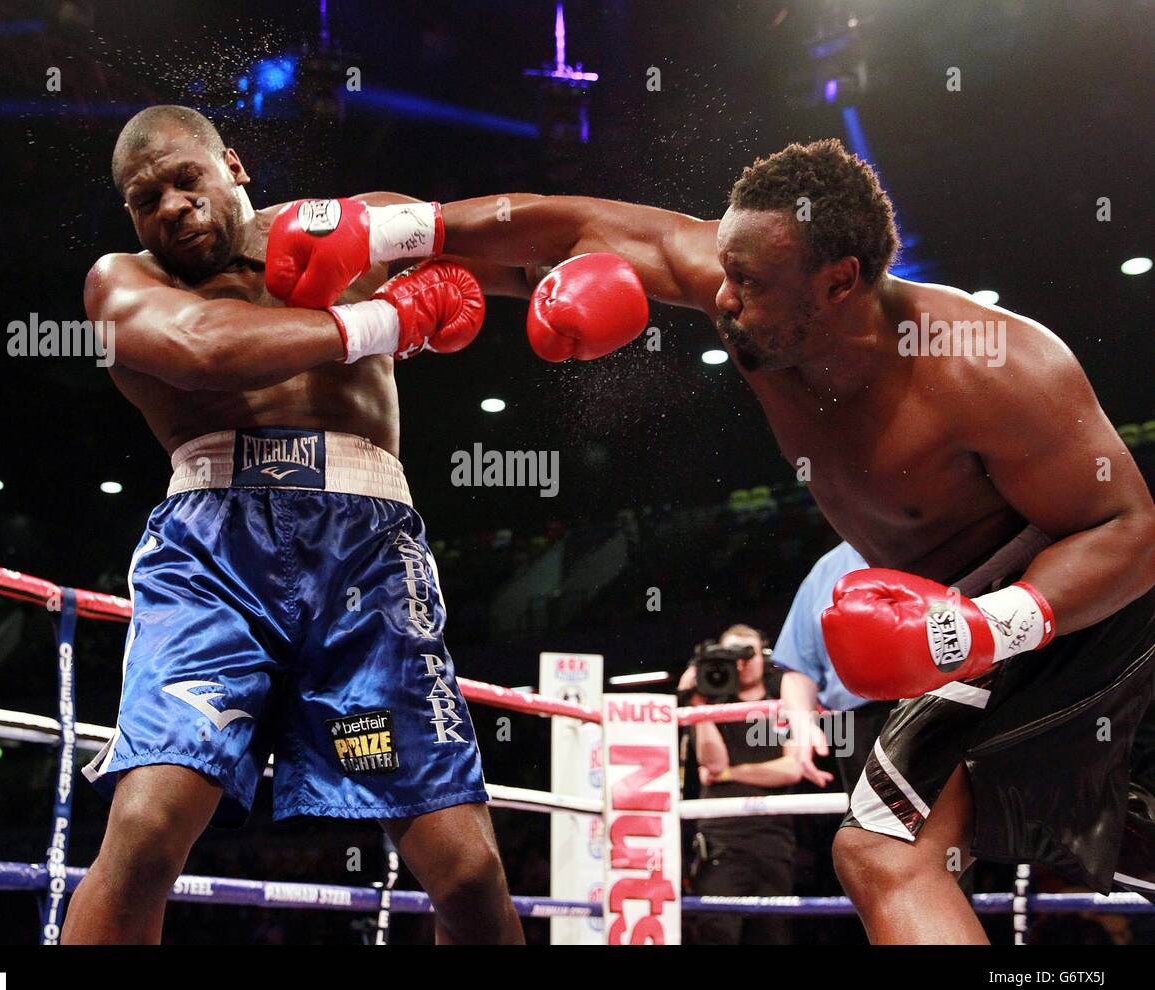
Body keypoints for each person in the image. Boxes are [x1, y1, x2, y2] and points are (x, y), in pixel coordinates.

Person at [275, 138, 1155, 943]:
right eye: (724, 270)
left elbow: (1132, 527)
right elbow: (575, 225)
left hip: (1080, 610)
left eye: (752, 284)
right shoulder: (739, 284)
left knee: (886, 851)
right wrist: (394, 228)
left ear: (840, 281)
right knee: (957, 854)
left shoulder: (988, 363)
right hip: (966, 626)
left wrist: (982, 624)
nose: (720, 297)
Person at [62, 104, 528, 944]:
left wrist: (645, 267)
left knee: (468, 871)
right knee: (142, 833)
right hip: (213, 549)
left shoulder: (354, 230)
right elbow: (201, 345)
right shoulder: (122, 282)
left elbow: (505, 245)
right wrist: (387, 320)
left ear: (232, 165)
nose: (169, 205)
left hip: (369, 552)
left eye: (184, 178)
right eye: (145, 198)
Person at [679, 624, 826, 944]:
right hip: (721, 842)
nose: (742, 662)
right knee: (715, 934)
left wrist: (732, 773)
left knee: (773, 936)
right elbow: (713, 762)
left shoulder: (784, 702)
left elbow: (790, 769)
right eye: (732, 655)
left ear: (765, 656)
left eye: (749, 654)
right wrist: (697, 704)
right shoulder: (712, 704)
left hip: (773, 843)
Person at [772, 539, 889, 793]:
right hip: (857, 726)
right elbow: (799, 669)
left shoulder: (934, 542)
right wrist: (802, 725)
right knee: (871, 830)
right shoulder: (826, 570)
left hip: (944, 706)